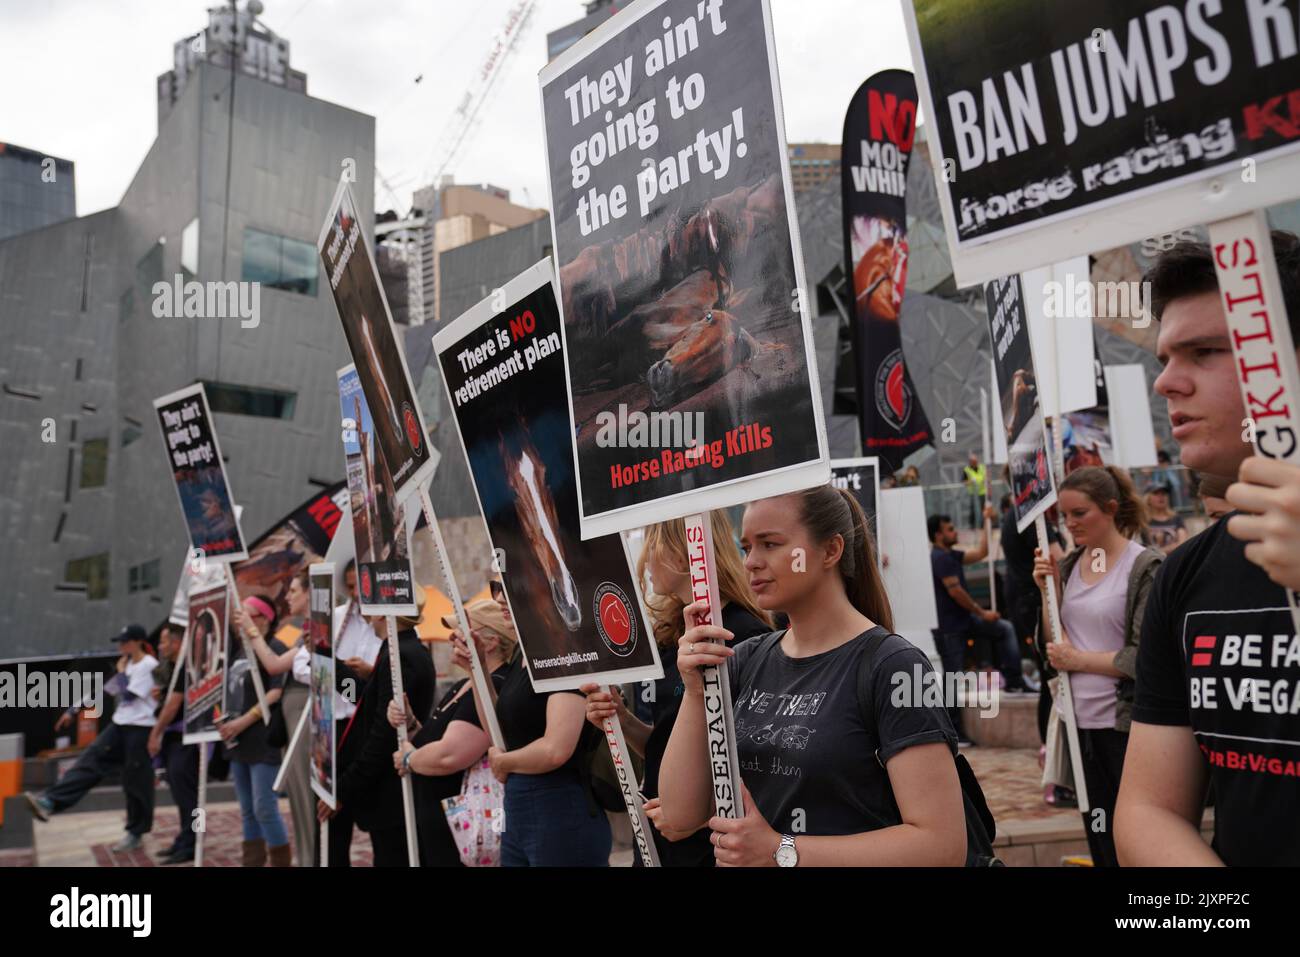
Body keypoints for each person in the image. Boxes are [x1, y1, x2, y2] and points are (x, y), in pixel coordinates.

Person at [657, 484, 966, 866]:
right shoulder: (744, 659)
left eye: (770, 544)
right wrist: (695, 692)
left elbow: (942, 846)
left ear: (831, 550)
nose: (751, 561)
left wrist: (780, 851)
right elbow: (679, 816)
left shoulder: (893, 665)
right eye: (746, 547)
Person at [1115, 231, 1300, 866]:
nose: (1166, 381)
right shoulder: (1188, 575)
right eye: (1166, 356)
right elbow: (1147, 811)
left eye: (1203, 352)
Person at [582, 513, 770, 866]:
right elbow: (669, 741)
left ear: (682, 550)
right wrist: (622, 720)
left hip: (708, 842)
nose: (645, 560)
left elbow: (758, 761)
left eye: (652, 543)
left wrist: (697, 814)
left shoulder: (744, 636)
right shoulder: (672, 637)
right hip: (656, 835)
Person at [1030, 466, 1163, 867]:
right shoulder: (1069, 566)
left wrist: (1080, 661)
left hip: (1126, 725)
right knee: (1100, 832)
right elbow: (1053, 644)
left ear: (1109, 509)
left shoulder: (1145, 567)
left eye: (1079, 513)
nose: (1070, 524)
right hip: (1080, 724)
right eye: (1064, 516)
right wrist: (1047, 591)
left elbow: (1147, 657)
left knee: (1137, 834)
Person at [477, 603, 611, 868]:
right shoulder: (524, 653)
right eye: (497, 588)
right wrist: (477, 668)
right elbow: (498, 730)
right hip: (520, 805)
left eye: (508, 587)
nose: (502, 599)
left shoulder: (566, 649)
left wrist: (504, 763)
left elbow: (555, 749)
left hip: (558, 806)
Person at [389, 599, 513, 866]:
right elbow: (431, 740)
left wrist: (409, 760)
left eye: (462, 631)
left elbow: (450, 755)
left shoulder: (496, 686)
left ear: (490, 643)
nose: (453, 638)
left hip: (464, 830)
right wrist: (409, 722)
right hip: (442, 823)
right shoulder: (463, 684)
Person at [321, 586, 435, 867]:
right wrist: (331, 665)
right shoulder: (397, 650)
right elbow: (366, 699)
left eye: (369, 610)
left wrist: (345, 788)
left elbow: (381, 735)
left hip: (392, 791)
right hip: (388, 789)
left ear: (384, 614)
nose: (367, 617)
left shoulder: (400, 656)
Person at [26, 624, 159, 851]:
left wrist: (120, 673)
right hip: (119, 725)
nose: (121, 645)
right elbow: (105, 691)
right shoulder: (126, 665)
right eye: (120, 641)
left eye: (125, 641)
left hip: (141, 729)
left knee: (136, 782)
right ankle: (50, 801)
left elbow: (127, 694)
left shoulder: (149, 665)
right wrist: (73, 711)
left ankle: (135, 832)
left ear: (138, 641)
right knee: (90, 760)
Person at [929, 509, 1031, 715]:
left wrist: (986, 520)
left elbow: (982, 552)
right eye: (950, 529)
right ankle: (955, 730)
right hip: (950, 629)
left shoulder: (952, 555)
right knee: (953, 678)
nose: (955, 532)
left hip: (963, 622)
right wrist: (981, 613)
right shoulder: (940, 558)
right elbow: (956, 592)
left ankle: (1014, 680)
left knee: (1004, 629)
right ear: (938, 535)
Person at [323, 559, 383, 866]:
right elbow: (305, 664)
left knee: (379, 823)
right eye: (348, 586)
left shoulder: (385, 622)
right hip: (335, 727)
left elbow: (375, 687)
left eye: (360, 584)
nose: (355, 592)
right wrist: (339, 674)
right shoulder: (335, 618)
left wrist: (369, 674)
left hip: (368, 728)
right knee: (332, 823)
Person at [224, 596, 290, 866]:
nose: (240, 620)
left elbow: (276, 691)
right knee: (248, 810)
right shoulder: (240, 650)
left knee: (264, 807)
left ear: (264, 618)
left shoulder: (274, 647)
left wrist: (243, 721)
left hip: (263, 738)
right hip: (238, 741)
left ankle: (280, 861)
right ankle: (252, 861)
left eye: (247, 615)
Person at [147, 623, 200, 864]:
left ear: (177, 643)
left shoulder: (187, 665)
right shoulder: (176, 667)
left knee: (192, 796)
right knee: (182, 795)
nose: (160, 646)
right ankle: (185, 837)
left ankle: (194, 841)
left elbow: (174, 704)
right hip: (176, 737)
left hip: (185, 738)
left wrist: (155, 733)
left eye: (164, 641)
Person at [1143, 483, 1188, 554]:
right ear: (1147, 498)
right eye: (1156, 493)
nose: (1161, 497)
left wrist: (1160, 551)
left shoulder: (1176, 518)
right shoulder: (1143, 520)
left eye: (1163, 494)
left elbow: (1183, 543)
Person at [963, 452, 987, 528]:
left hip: (983, 492)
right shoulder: (966, 470)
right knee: (973, 509)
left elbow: (986, 476)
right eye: (973, 461)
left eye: (976, 461)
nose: (975, 463)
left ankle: (983, 525)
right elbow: (964, 482)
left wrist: (986, 480)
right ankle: (972, 526)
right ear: (970, 462)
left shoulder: (982, 467)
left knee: (984, 509)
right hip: (973, 493)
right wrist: (971, 482)